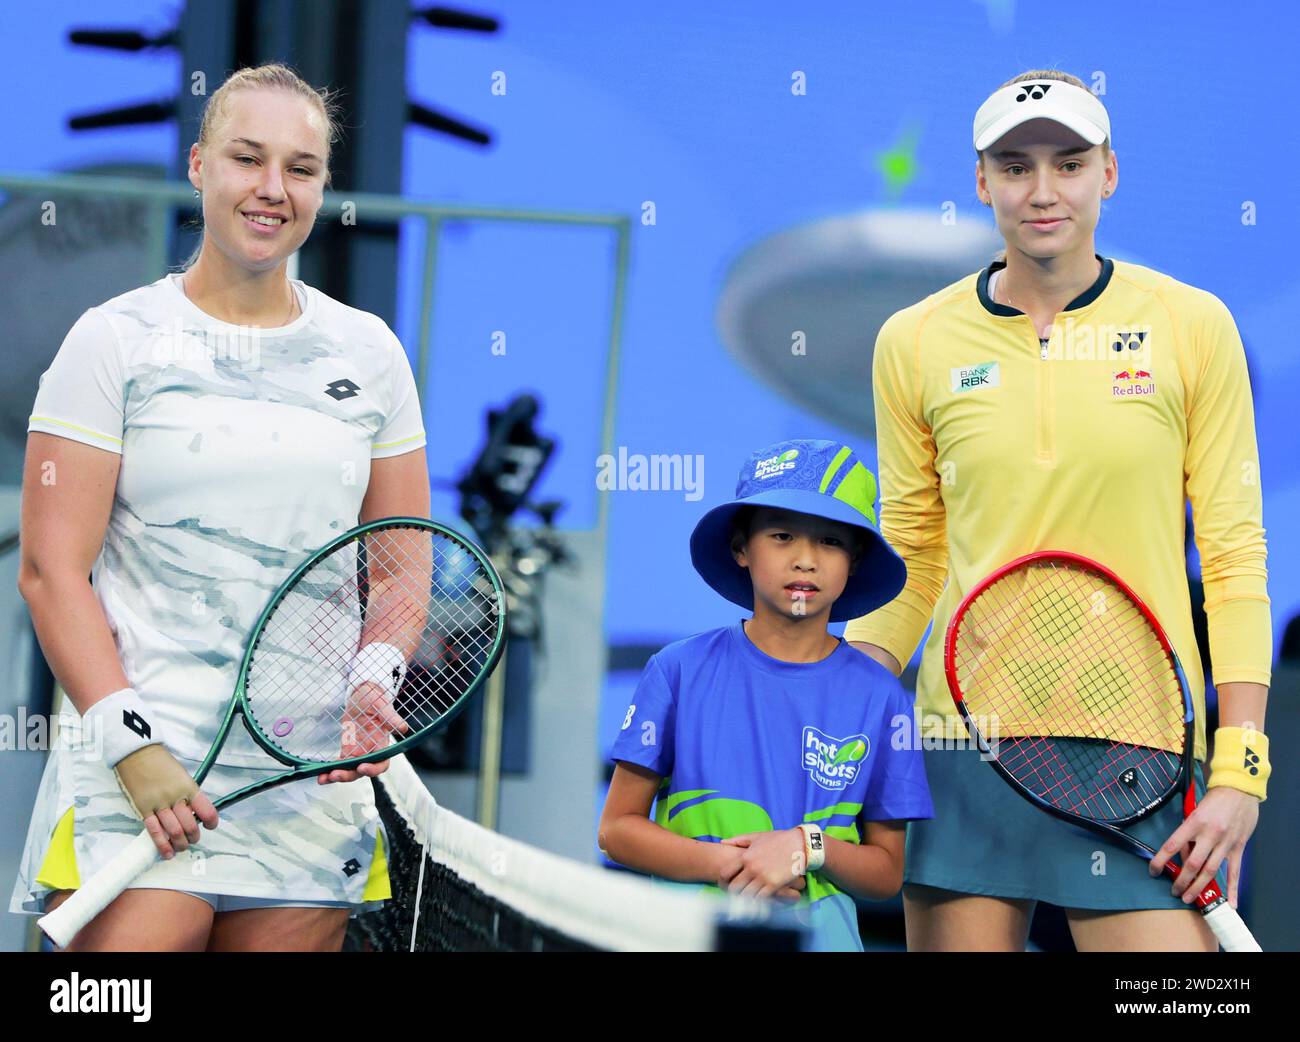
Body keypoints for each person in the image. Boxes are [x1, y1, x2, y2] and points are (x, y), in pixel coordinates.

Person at [845, 69, 1272, 952]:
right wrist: (835, 697)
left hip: (1141, 748)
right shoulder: (913, 340)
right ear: (981, 183)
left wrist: (1241, 769)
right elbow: (913, 554)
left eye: (1069, 164)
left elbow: (1233, 558)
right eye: (1015, 166)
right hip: (961, 748)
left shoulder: (1193, 326)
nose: (1043, 191)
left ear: (1108, 174)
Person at [10, 63, 430, 951]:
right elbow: (51, 572)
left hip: (310, 788)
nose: (273, 189)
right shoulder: (113, 340)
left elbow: (399, 560)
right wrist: (135, 748)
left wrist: (373, 680)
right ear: (200, 165)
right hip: (140, 780)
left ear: (323, 186)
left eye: (302, 168)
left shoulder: (371, 352)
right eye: (248, 159)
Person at [599, 439, 933, 951]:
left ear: (856, 560)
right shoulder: (678, 670)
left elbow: (886, 872)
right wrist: (731, 864)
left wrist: (807, 846)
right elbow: (618, 830)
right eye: (781, 536)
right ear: (741, 549)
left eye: (830, 541)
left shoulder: (883, 698)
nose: (805, 560)